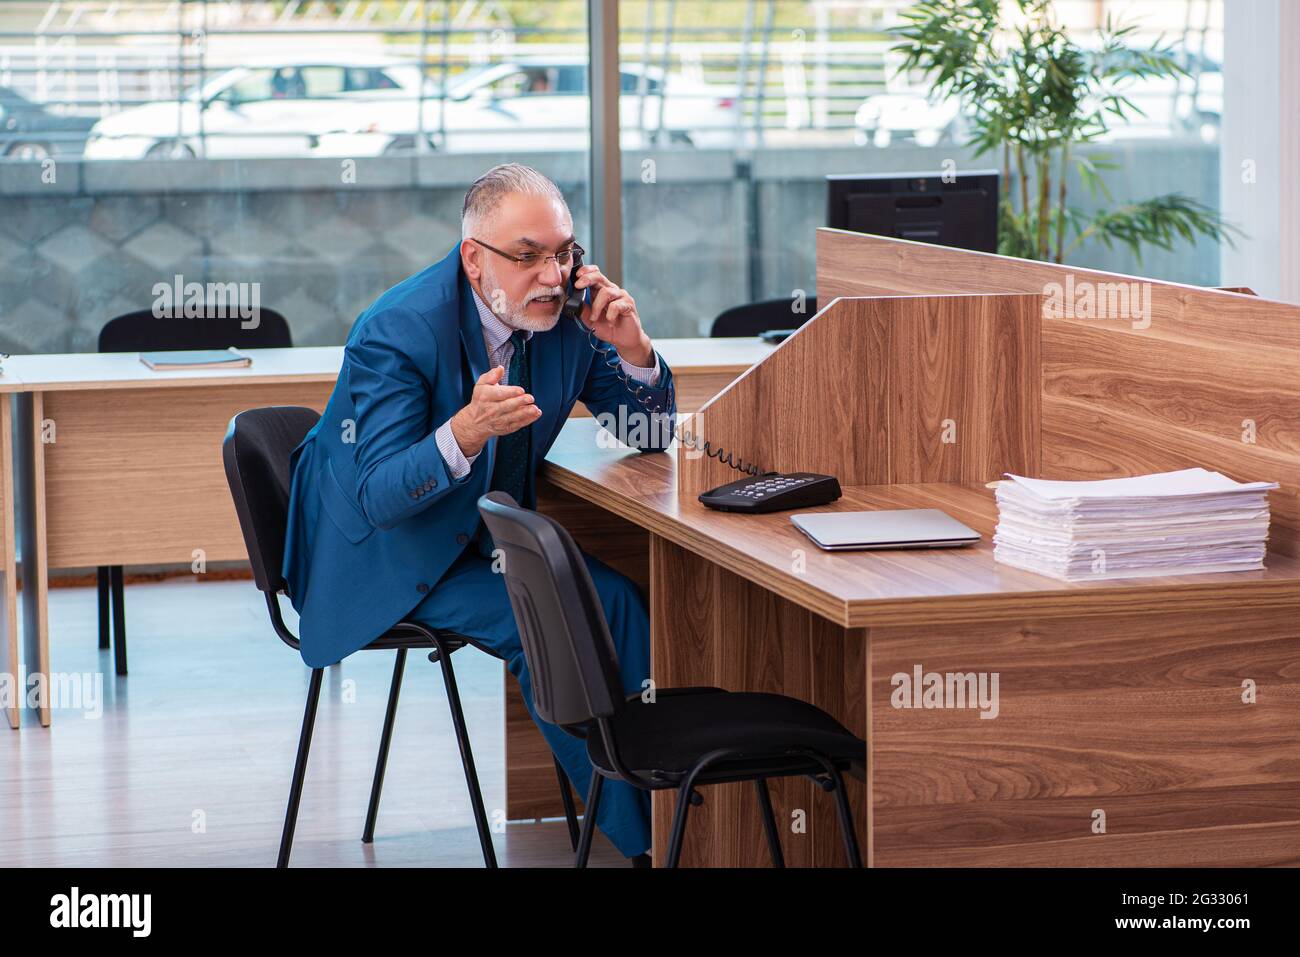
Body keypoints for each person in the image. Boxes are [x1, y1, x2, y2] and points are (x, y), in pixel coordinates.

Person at [281, 163, 675, 864]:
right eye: (528, 256)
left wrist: (633, 349)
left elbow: (647, 434)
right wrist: (463, 432)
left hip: (483, 537)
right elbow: (377, 492)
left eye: (564, 252)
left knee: (617, 600)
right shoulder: (397, 330)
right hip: (388, 551)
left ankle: (670, 811)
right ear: (474, 258)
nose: (553, 274)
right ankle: (644, 843)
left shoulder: (565, 319)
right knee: (550, 620)